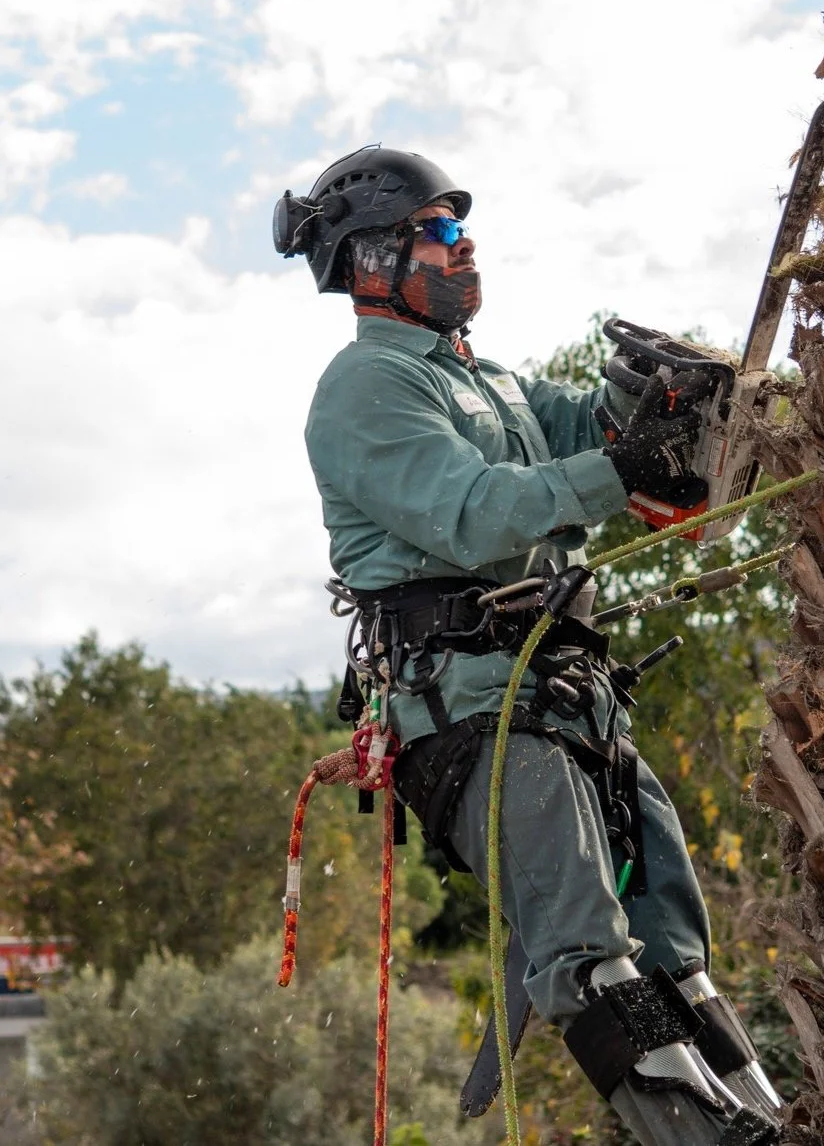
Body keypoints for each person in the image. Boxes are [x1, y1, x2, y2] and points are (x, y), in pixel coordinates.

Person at [274, 146, 783, 1146]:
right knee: (583, 944)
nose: (463, 252)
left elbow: (584, 433)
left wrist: (665, 415)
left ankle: (767, 1113)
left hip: (569, 697)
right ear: (375, 256)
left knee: (671, 939)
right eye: (442, 233)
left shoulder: (489, 380)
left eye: (462, 232)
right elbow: (478, 515)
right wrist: (617, 463)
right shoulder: (365, 389)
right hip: (472, 709)